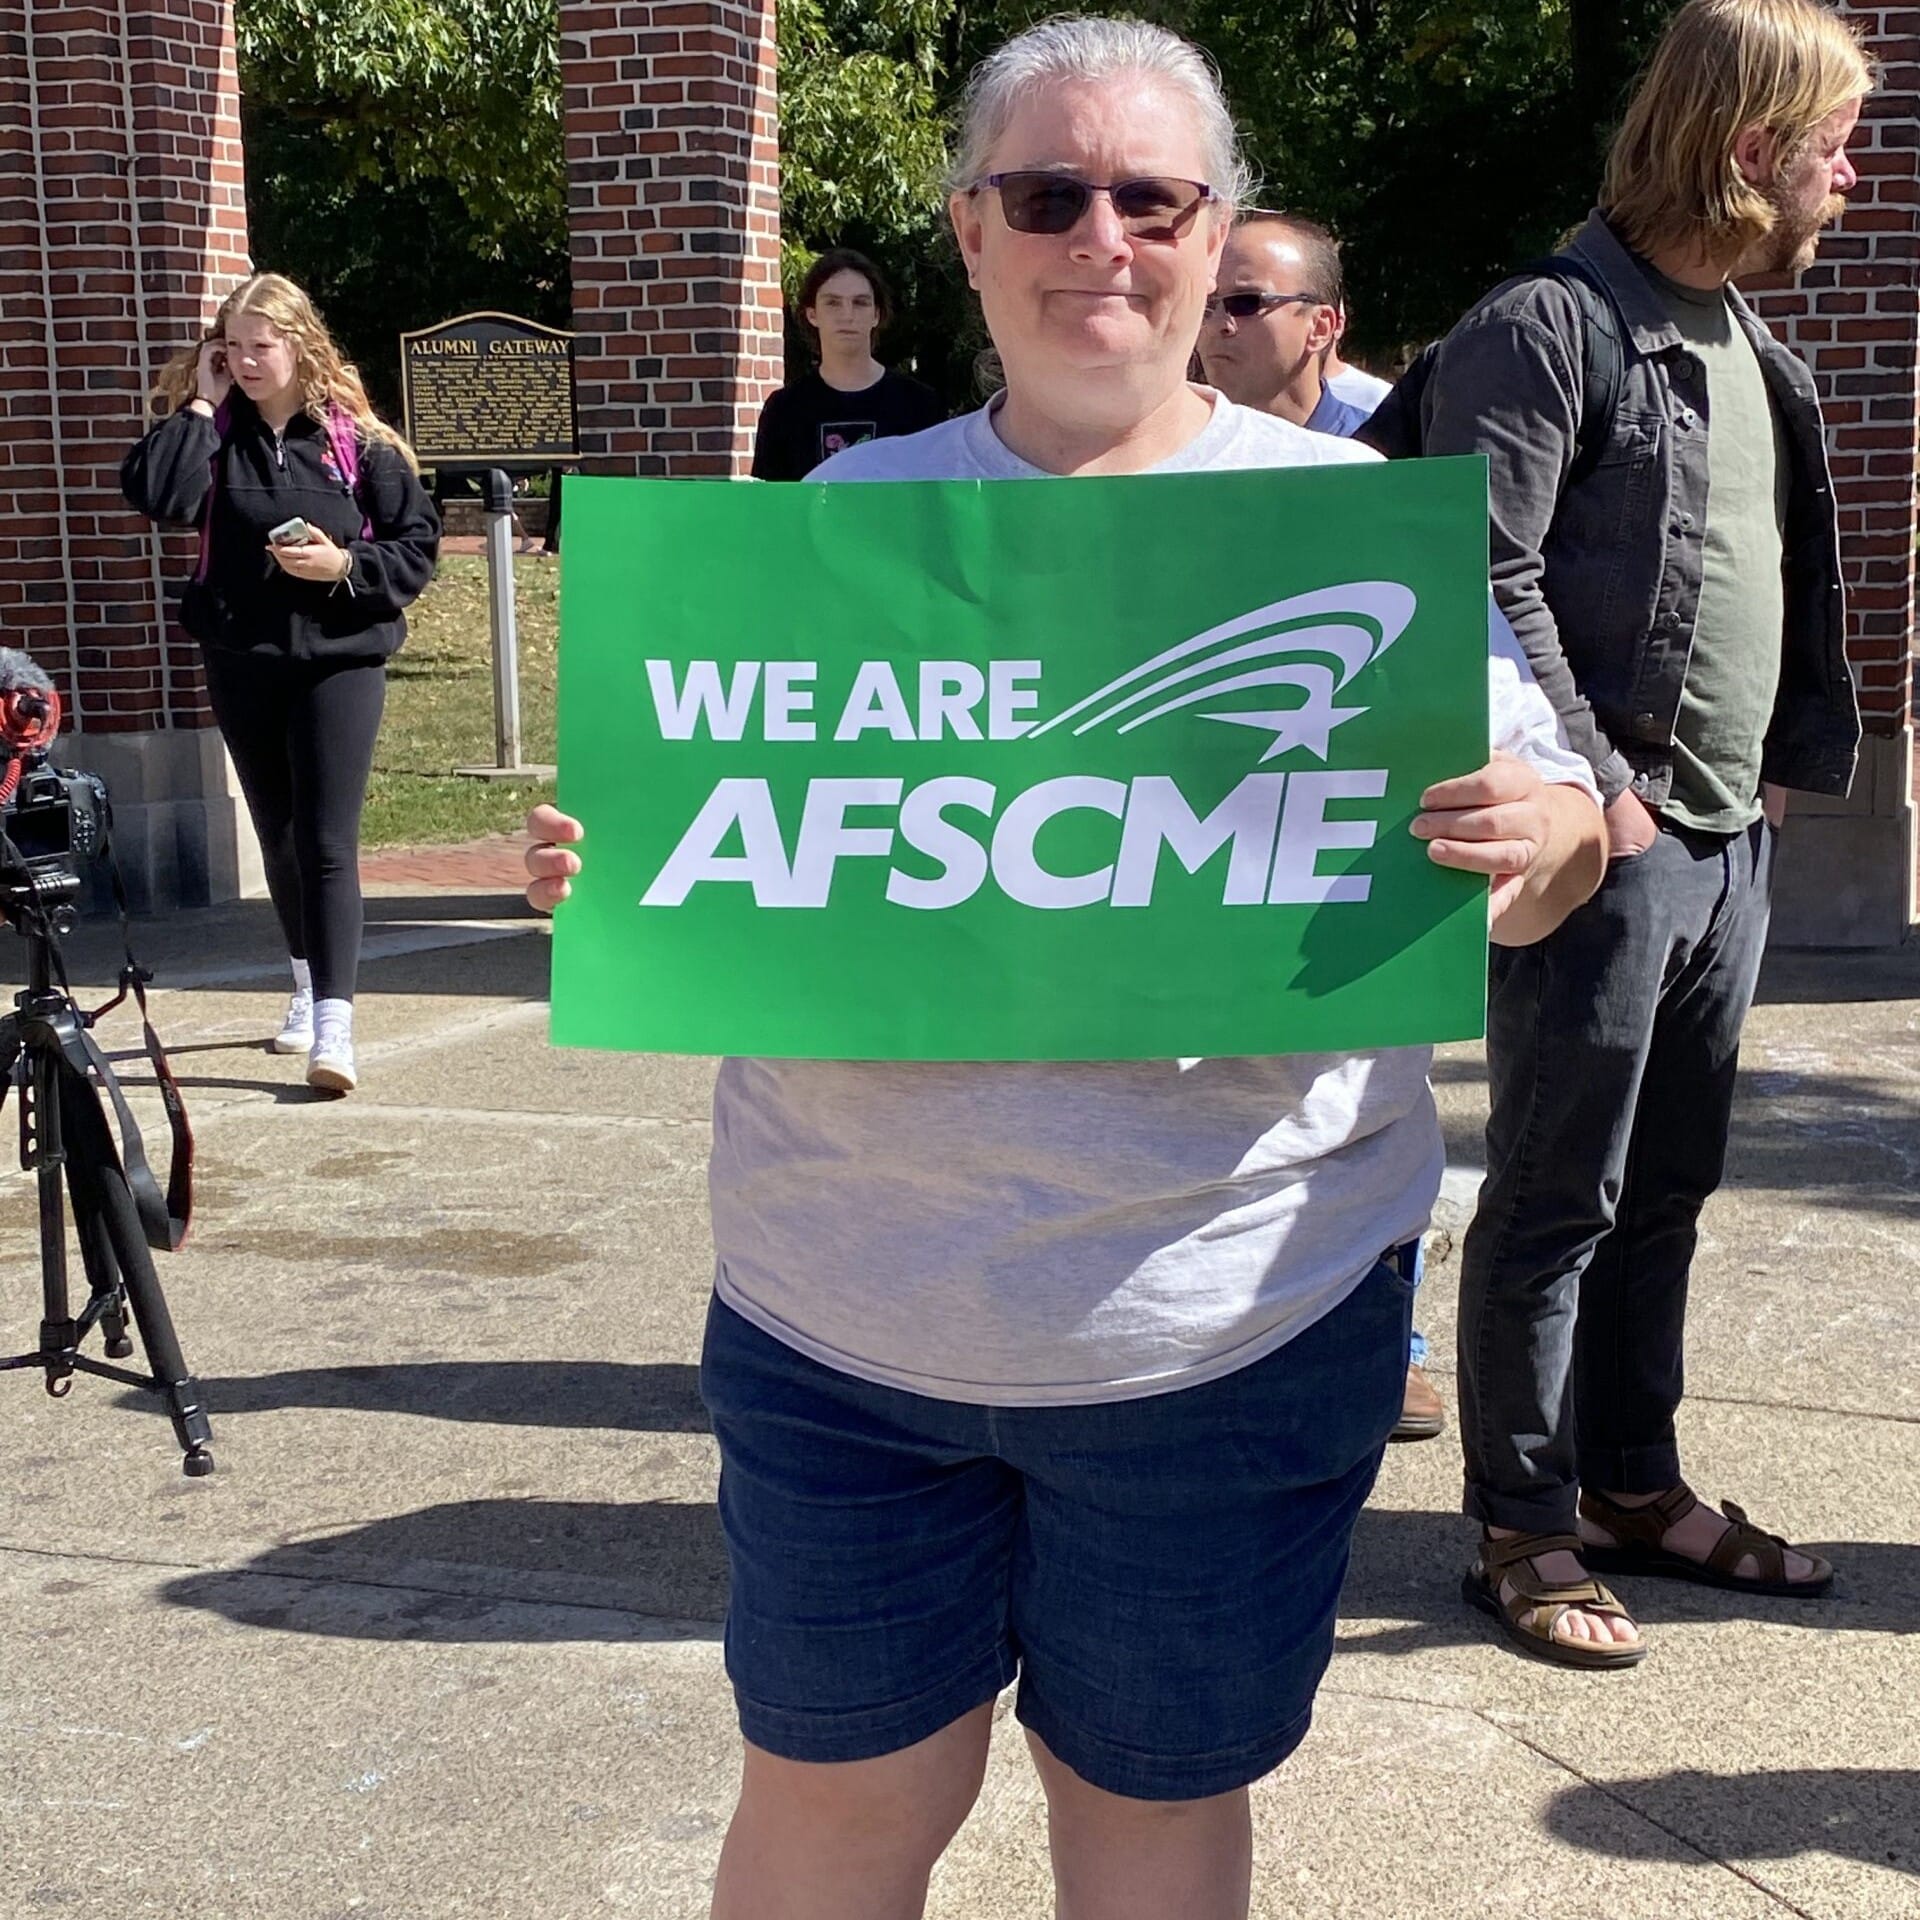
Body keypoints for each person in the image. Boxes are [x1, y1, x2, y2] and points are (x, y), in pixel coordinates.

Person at [528, 20, 1605, 1916]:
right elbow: (717, 827)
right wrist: (614, 866)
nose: (1098, 235)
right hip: (837, 1325)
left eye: (1149, 196)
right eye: (1047, 193)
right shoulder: (844, 528)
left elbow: (1561, 836)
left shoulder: (1344, 526)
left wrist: (1542, 845)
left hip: (1225, 1332)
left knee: (1151, 1822)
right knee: (836, 1804)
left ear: (1215, 233)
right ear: (969, 229)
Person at [1423, 0, 1869, 1668]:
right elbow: (1480, 565)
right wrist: (1593, 779)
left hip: (1725, 845)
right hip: (1602, 849)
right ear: (1749, 148)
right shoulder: (1550, 326)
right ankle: (1522, 1523)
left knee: (1667, 1184)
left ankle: (1628, 1483)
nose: (1851, 169)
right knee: (1557, 1195)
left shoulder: (1753, 344)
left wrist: (1757, 780)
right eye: (1833, 138)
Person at [1199, 209, 1445, 1446]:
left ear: (1322, 325)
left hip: (1340, 832)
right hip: (1204, 817)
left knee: (1361, 1086)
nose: (1216, 328)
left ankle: (1389, 1328)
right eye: (1210, 302)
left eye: (1245, 305)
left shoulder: (1384, 460)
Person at [122, 273, 440, 1095]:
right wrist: (198, 405)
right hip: (242, 656)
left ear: (299, 345)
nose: (247, 359)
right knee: (281, 837)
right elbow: (157, 496)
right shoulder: (213, 435)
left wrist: (344, 566)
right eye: (232, 345)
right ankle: (304, 984)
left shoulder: (353, 440)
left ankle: (335, 1024)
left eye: (262, 344)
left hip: (340, 656)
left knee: (329, 843)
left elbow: (415, 545)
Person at [749, 249, 945, 480]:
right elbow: (771, 506)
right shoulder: (783, 409)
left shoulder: (919, 404)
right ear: (812, 314)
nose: (847, 315)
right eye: (833, 303)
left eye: (860, 303)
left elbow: (935, 501)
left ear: (876, 315)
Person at [1195, 213, 1370, 436]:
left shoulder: (1382, 454)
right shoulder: (1170, 456)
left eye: (1246, 302)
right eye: (1206, 304)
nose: (1219, 324)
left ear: (1320, 328)